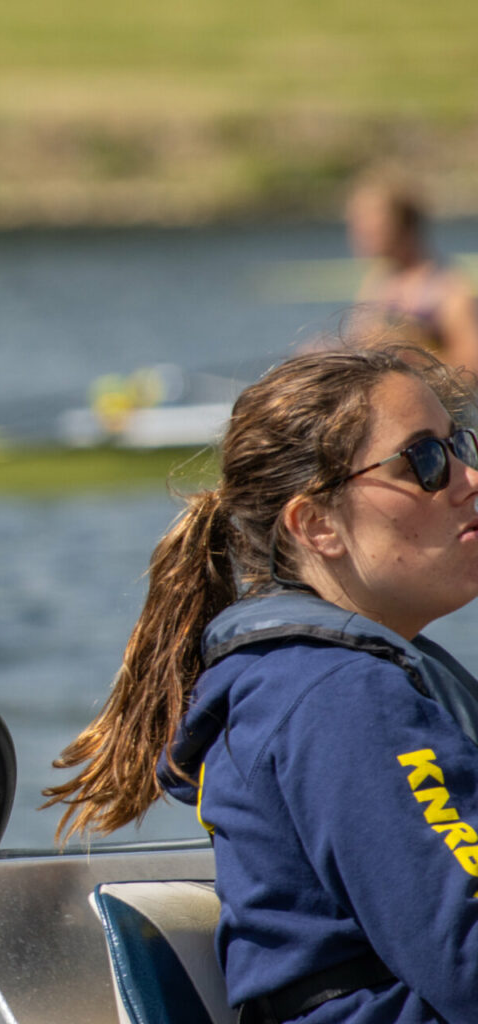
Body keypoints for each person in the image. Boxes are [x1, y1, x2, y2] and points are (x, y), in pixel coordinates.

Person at [44, 346, 478, 1023]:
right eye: (424, 461)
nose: (468, 477)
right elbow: (467, 962)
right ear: (316, 525)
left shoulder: (322, 681)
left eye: (459, 444)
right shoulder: (341, 696)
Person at [345, 170, 478, 375]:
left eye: (371, 228)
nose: (360, 235)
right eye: (357, 226)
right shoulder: (381, 281)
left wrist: (415, 349)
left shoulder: (448, 289)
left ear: (405, 227)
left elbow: (472, 370)